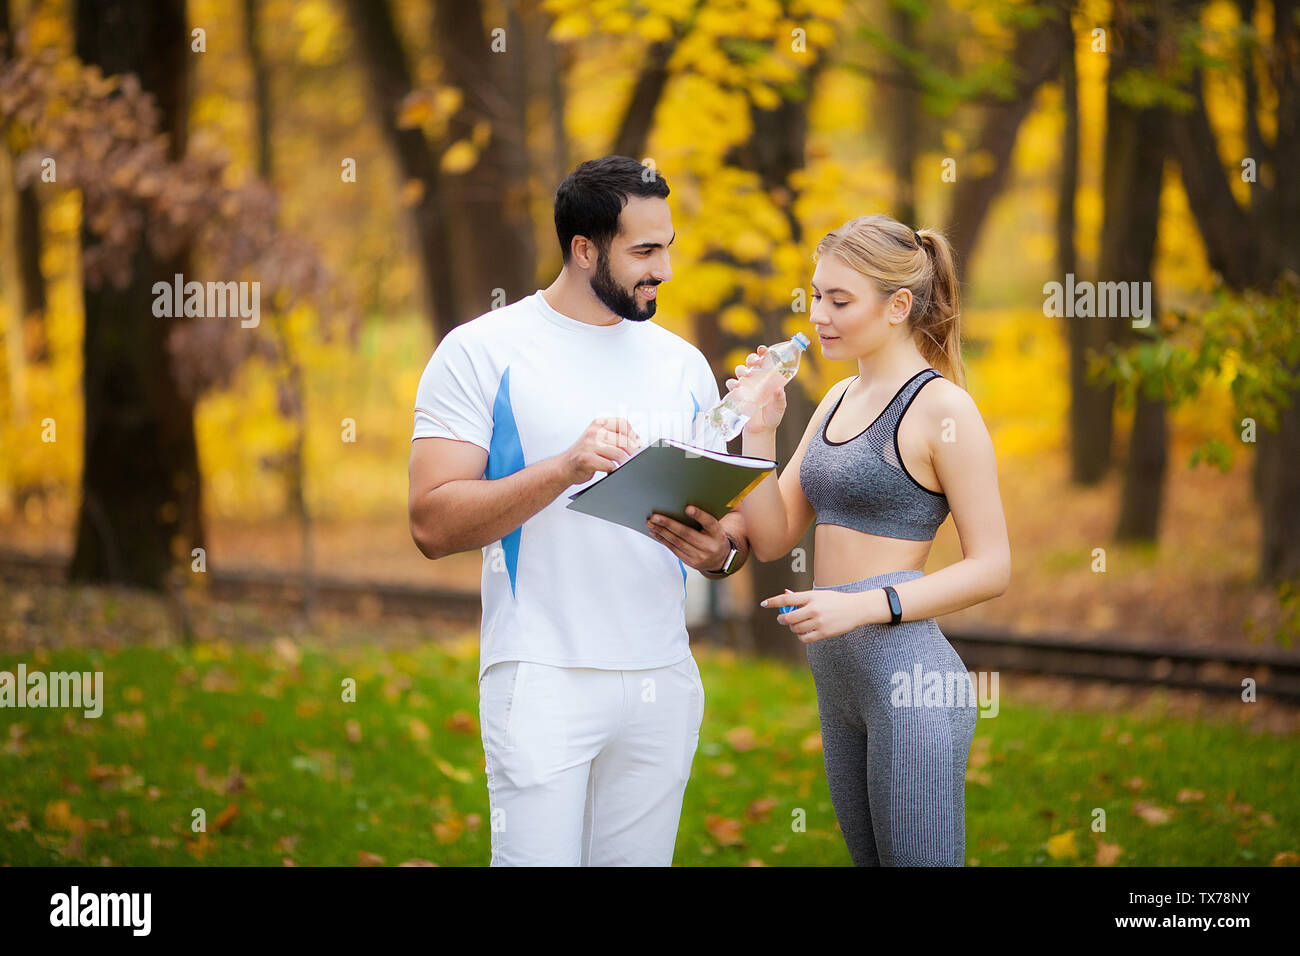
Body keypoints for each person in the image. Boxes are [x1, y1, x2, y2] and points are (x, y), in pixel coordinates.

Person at [408, 155, 751, 866]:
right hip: (542, 675)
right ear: (585, 249)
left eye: (668, 248)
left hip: (662, 676)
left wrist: (721, 552)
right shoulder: (480, 351)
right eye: (645, 251)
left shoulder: (683, 363)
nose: (664, 269)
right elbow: (432, 524)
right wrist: (565, 467)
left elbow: (721, 525)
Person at [733, 213, 1010, 866]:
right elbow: (771, 539)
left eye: (839, 300)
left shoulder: (943, 409)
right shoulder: (834, 401)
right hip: (841, 685)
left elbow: (994, 567)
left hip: (909, 682)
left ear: (898, 306)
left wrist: (862, 604)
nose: (818, 315)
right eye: (815, 297)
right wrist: (758, 431)